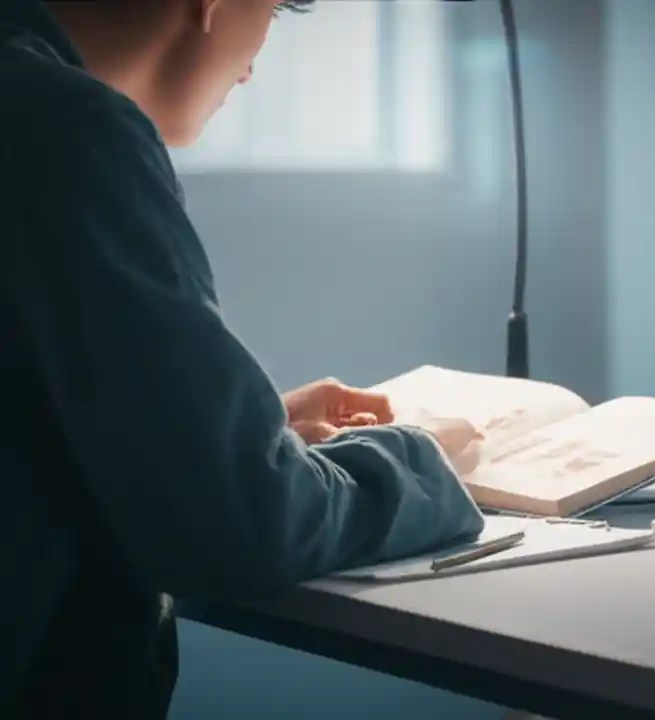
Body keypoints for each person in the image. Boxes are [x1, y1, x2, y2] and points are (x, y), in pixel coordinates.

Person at [1, 0, 487, 716]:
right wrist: (418, 463)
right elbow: (241, 530)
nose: (255, 64)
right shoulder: (64, 129)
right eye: (275, 10)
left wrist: (241, 433)